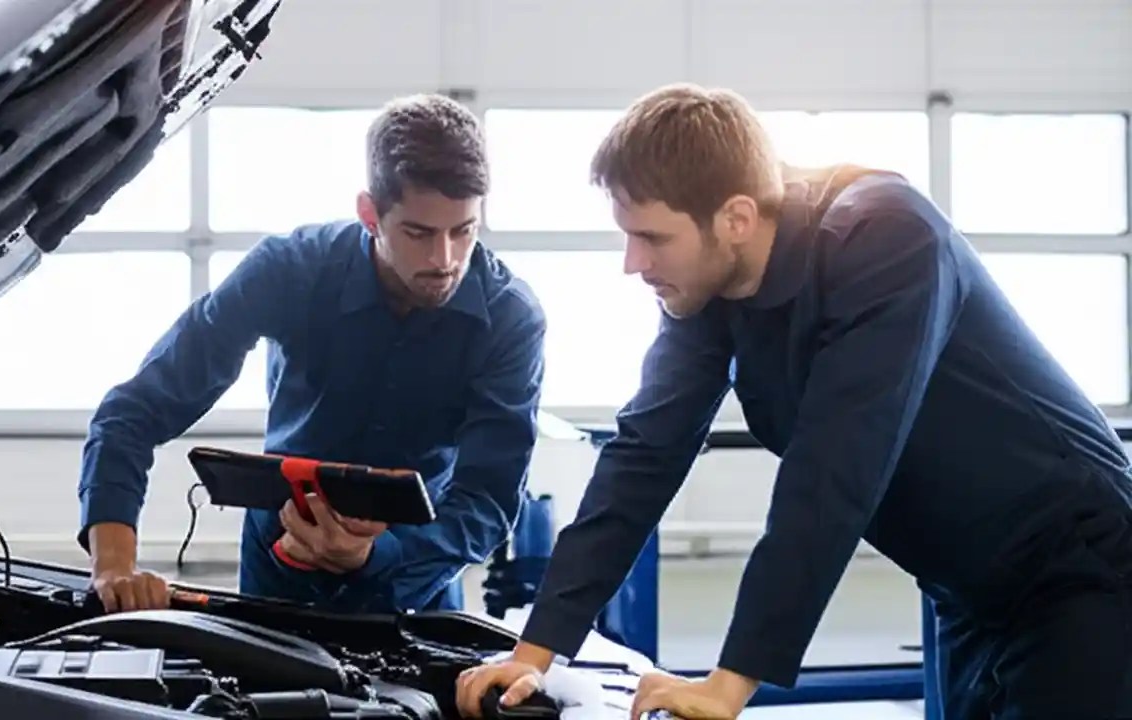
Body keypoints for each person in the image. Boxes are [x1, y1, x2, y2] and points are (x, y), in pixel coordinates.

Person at [456, 83, 1132, 720]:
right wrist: (533, 656)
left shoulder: (887, 239)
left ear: (736, 219)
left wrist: (729, 684)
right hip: (963, 592)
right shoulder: (709, 292)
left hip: (1080, 570)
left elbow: (833, 470)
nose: (633, 262)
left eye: (653, 238)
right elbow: (641, 460)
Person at [76, 93, 548, 617]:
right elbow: (133, 412)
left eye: (464, 231)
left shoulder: (510, 319)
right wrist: (113, 565)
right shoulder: (289, 270)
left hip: (414, 575)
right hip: (278, 567)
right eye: (419, 233)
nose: (445, 260)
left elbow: (488, 500)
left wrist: (377, 555)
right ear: (370, 213)